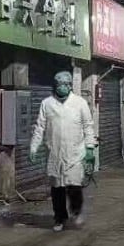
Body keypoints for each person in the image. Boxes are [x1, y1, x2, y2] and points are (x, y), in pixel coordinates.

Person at [29, 71, 96, 232]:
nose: (63, 87)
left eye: (66, 84)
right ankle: (59, 218)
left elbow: (88, 126)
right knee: (57, 189)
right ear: (55, 86)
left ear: (71, 85)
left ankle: (76, 211)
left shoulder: (80, 103)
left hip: (75, 153)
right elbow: (40, 127)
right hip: (54, 153)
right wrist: (34, 146)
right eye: (60, 84)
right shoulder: (47, 104)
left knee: (74, 186)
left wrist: (89, 148)